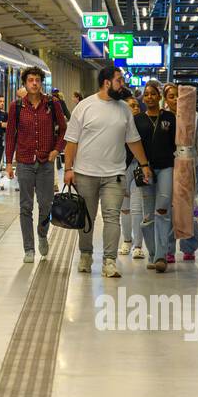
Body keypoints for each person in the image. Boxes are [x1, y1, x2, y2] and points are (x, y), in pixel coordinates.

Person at [65, 66, 151, 277]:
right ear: (106, 82)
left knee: (112, 216)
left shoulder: (124, 109)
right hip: (85, 173)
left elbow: (133, 141)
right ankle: (86, 254)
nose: (123, 84)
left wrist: (144, 164)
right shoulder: (84, 107)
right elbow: (71, 142)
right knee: (87, 218)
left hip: (115, 174)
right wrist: (68, 168)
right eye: (119, 80)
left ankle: (109, 261)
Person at [5, 67, 67, 263]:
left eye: (37, 80)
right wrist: (8, 162)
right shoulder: (16, 107)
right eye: (30, 80)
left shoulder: (52, 104)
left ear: (42, 83)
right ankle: (28, 249)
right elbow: (10, 135)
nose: (34, 83)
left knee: (46, 204)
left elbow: (64, 129)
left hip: (45, 162)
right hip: (24, 162)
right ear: (24, 83)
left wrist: (57, 149)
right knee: (25, 206)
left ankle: (42, 233)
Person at [164, 83, 198, 262]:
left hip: (191, 168)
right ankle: (168, 248)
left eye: (178, 95)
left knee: (189, 208)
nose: (175, 99)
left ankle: (189, 246)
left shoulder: (195, 118)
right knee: (169, 208)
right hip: (168, 168)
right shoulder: (163, 118)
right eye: (170, 96)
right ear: (166, 99)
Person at [135, 80, 177, 272]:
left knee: (162, 210)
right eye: (147, 94)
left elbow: (176, 144)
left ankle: (161, 256)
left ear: (159, 97)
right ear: (143, 97)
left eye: (153, 94)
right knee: (148, 215)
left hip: (166, 167)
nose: (150, 97)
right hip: (146, 170)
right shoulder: (138, 120)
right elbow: (132, 146)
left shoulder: (170, 117)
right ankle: (152, 254)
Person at [119, 94, 145, 259]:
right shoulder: (118, 125)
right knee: (124, 208)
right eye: (131, 106)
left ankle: (138, 245)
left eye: (136, 105)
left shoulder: (144, 125)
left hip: (139, 169)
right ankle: (126, 240)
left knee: (137, 208)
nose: (135, 108)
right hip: (121, 169)